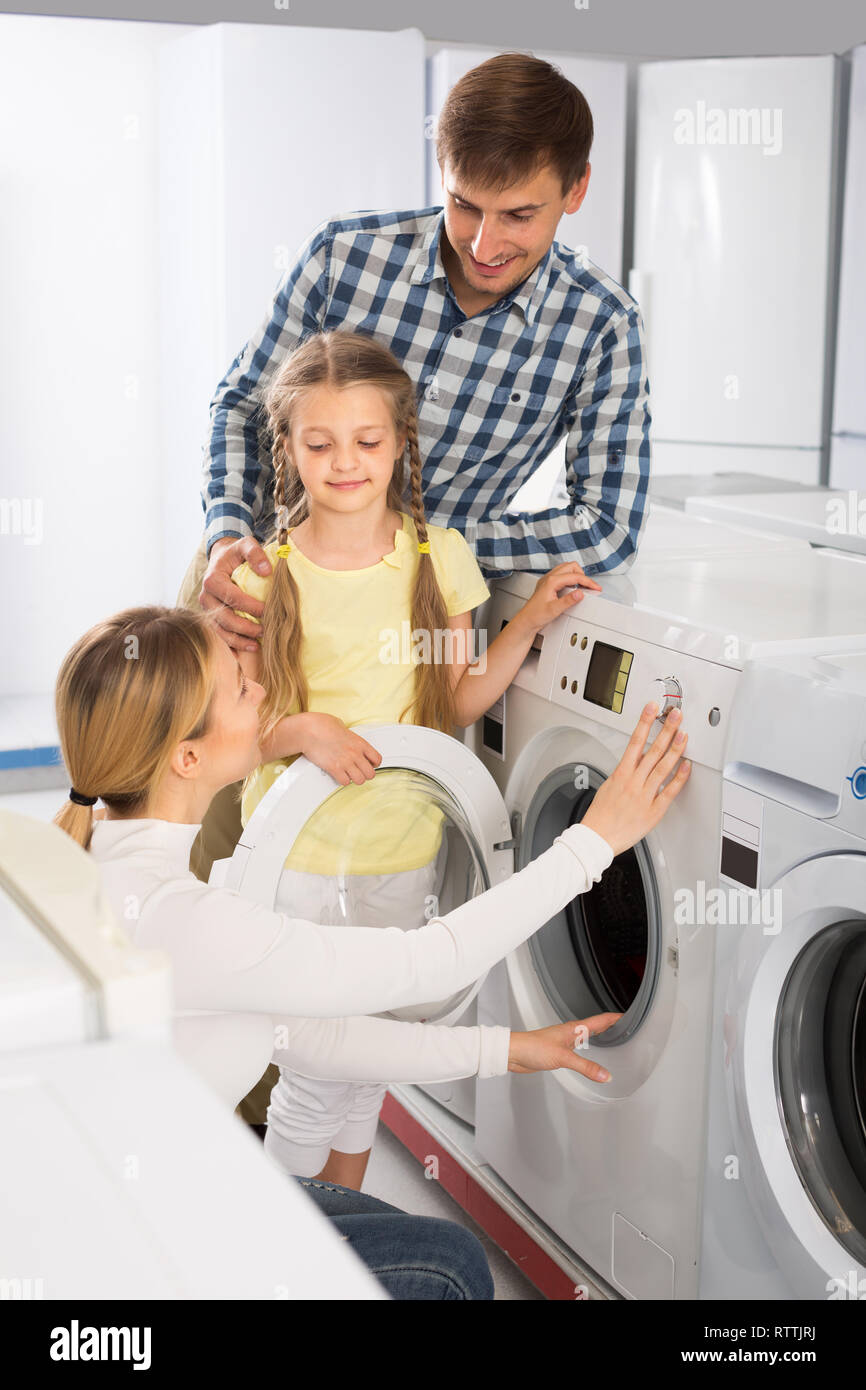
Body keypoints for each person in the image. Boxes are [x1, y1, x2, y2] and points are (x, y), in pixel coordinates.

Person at [52, 605, 690, 1298]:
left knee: (406, 1231)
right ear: (187, 757)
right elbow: (431, 961)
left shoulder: (104, 869)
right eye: (241, 687)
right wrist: (594, 842)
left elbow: (307, 1037)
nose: (262, 691)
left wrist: (505, 1050)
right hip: (156, 1253)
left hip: (153, 1202)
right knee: (451, 1268)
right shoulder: (181, 919)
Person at [227, 326, 605, 1190]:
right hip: (296, 866)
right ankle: (287, 1260)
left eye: (367, 441)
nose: (345, 462)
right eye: (319, 443)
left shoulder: (439, 562)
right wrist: (304, 732)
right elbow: (234, 739)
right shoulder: (264, 578)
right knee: (315, 1073)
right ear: (287, 447)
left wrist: (531, 621)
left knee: (364, 1073)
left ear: (402, 444)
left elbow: (460, 698)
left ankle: (343, 1251)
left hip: (404, 852)